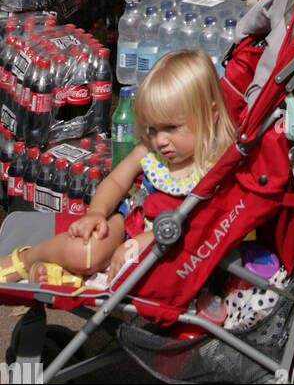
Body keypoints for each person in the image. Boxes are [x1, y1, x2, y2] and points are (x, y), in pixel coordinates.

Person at [0, 51, 234, 288]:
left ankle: (68, 275)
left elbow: (205, 226)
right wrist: (97, 213)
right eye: (152, 129)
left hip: (173, 244)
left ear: (211, 115)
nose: (160, 140)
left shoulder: (217, 167)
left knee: (124, 267)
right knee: (86, 251)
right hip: (129, 223)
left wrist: (148, 239)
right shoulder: (149, 151)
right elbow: (116, 182)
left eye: (171, 127)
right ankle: (29, 256)